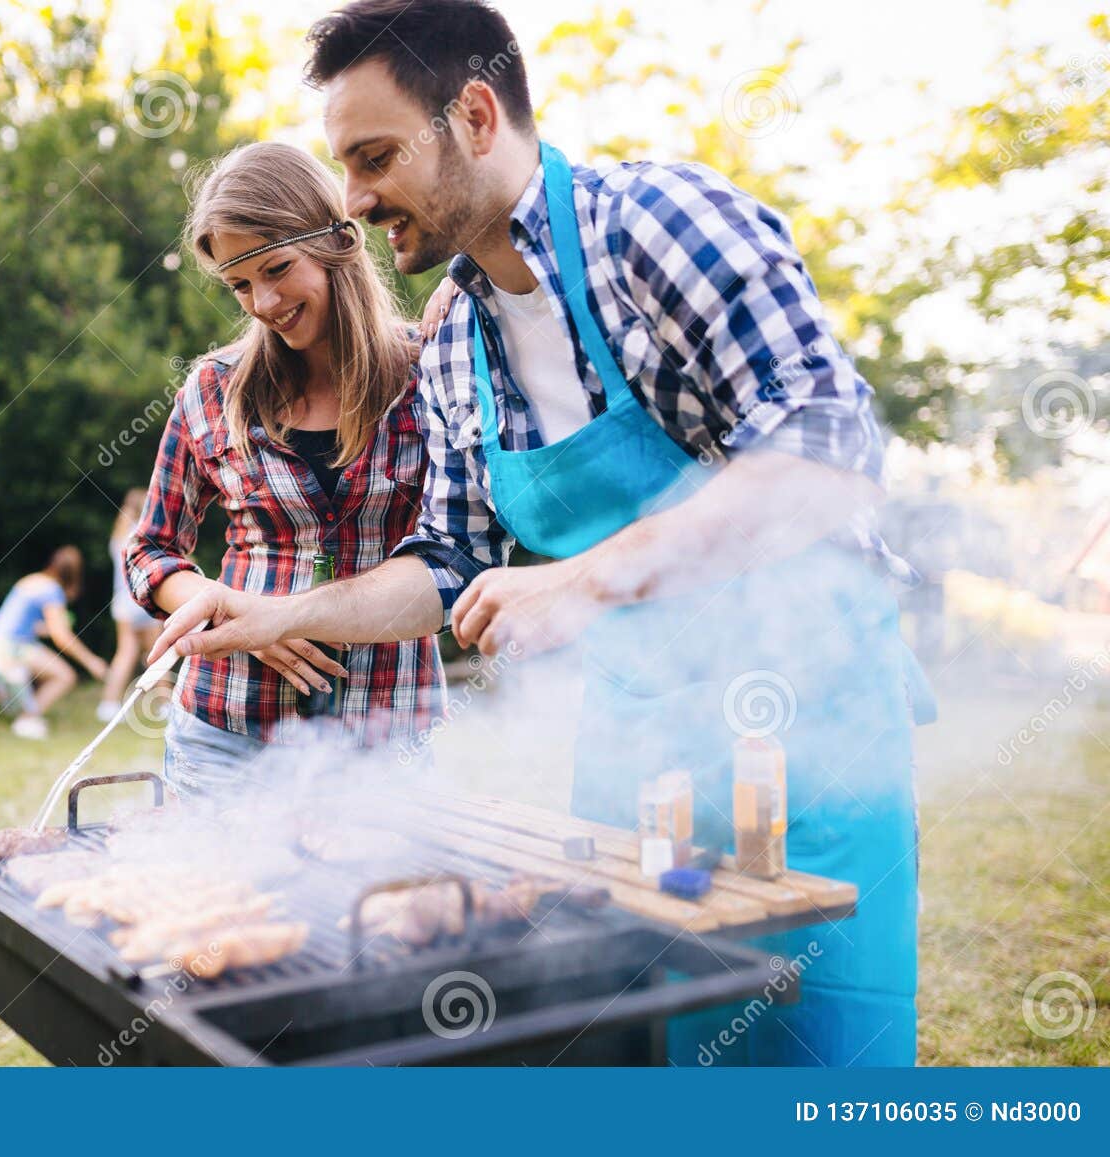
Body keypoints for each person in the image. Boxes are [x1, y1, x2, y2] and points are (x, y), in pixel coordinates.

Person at [152, 0, 934, 1066]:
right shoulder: (453, 342)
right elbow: (447, 566)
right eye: (345, 165)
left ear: (473, 114)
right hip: (634, 749)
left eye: (375, 156)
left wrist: (589, 580)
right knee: (640, 1055)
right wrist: (275, 616)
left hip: (801, 737)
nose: (355, 198)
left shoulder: (658, 224)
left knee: (816, 1054)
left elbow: (822, 448)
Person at [124, 141, 445, 794]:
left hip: (385, 732)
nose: (262, 303)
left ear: (335, 242)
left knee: (379, 901)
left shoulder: (428, 373)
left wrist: (470, 293)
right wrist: (236, 616)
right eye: (239, 285)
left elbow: (461, 546)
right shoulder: (212, 388)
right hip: (227, 734)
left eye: (276, 268)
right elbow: (150, 550)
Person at [0, 546, 108, 739]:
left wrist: (48, 628)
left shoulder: (32, 580)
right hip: (13, 648)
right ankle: (27, 718)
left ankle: (19, 703)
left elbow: (20, 623)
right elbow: (62, 637)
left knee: (40, 669)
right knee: (64, 676)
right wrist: (91, 661)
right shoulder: (52, 590)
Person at [98, 488, 167, 723]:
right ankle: (165, 705)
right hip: (143, 601)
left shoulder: (118, 535)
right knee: (157, 655)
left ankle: (109, 704)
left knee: (125, 654)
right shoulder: (145, 533)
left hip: (121, 602)